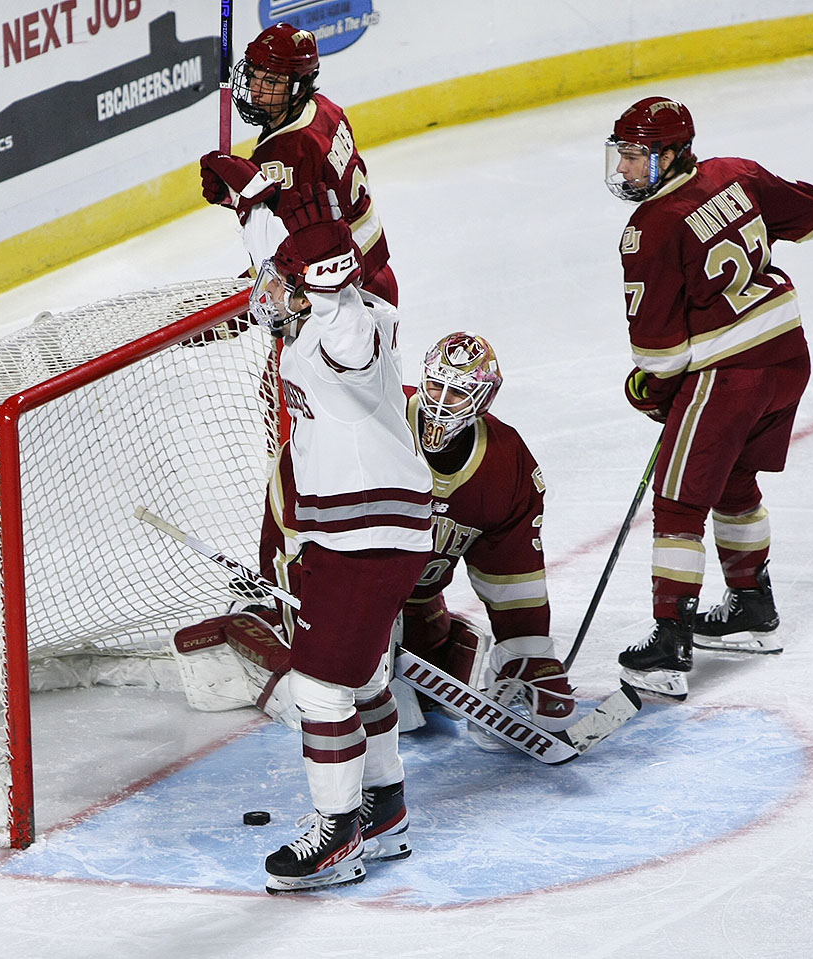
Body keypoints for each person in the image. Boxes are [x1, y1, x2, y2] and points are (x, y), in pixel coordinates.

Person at [223, 182, 432, 893]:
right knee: (363, 675)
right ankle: (385, 808)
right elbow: (295, 276)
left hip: (369, 537)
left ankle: (336, 834)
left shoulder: (352, 330)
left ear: (321, 287)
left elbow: (346, 331)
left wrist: (329, 284)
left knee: (317, 688)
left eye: (285, 284)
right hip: (358, 533)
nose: (269, 296)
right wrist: (251, 211)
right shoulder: (322, 310)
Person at [603, 96, 813, 700]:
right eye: (620, 155)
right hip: (787, 356)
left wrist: (649, 393)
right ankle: (753, 608)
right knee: (732, 482)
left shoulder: (649, 230)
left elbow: (661, 356)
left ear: (672, 154)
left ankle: (669, 645)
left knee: (678, 502)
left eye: (635, 157)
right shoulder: (738, 173)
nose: (624, 170)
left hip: (727, 376)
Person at [254, 332, 578, 748]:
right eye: (437, 385)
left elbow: (511, 570)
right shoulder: (376, 422)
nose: (442, 401)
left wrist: (527, 648)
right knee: (335, 690)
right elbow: (297, 475)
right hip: (331, 570)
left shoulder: (505, 463)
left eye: (458, 392)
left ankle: (408, 631)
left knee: (435, 675)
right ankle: (267, 636)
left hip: (411, 592)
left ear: (484, 400)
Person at [199, 22, 396, 305]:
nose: (256, 90)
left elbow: (289, 253)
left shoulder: (288, 152)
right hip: (371, 269)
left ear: (298, 87)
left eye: (271, 82)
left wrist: (229, 313)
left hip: (342, 295)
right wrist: (237, 194)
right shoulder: (323, 108)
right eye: (254, 76)